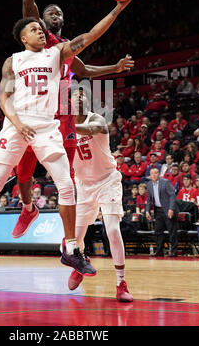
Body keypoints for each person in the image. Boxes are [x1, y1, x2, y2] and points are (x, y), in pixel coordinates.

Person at [0, 0, 138, 276]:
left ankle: (71, 250)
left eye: (41, 29)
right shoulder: (13, 61)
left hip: (47, 127)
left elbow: (91, 36)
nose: (40, 31)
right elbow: (4, 98)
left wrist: (118, 8)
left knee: (66, 186)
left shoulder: (57, 53)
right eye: (34, 28)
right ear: (23, 37)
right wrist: (17, 123)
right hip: (17, 126)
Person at [12, 0, 135, 240]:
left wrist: (114, 69)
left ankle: (73, 244)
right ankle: (29, 208)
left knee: (67, 178)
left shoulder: (66, 51)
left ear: (62, 21)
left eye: (58, 13)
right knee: (23, 173)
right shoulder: (39, 39)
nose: (53, 15)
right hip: (36, 111)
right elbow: (28, 3)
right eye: (48, 12)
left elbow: (84, 71)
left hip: (64, 115)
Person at [67, 87, 133, 302]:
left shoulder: (98, 121)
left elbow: (89, 129)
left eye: (83, 94)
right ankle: (81, 262)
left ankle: (121, 283)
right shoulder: (62, 128)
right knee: (73, 241)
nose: (79, 96)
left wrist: (61, 126)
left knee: (112, 229)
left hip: (107, 181)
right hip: (84, 185)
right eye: (74, 94)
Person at [146, 167, 178, 257]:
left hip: (168, 209)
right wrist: (147, 211)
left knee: (172, 231)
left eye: (156, 173)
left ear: (159, 174)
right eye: (152, 173)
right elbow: (148, 200)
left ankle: (174, 251)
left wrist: (171, 209)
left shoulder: (165, 182)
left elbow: (172, 196)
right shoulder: (149, 184)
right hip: (158, 210)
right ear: (150, 175)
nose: (154, 175)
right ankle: (159, 250)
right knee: (158, 231)